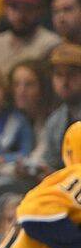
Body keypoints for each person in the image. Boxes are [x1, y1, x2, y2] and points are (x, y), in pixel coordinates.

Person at [0, 0, 62, 75]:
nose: (20, 14)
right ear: (5, 9)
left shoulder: (51, 44)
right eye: (14, 7)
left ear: (39, 10)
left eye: (27, 8)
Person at [32, 42, 81, 174]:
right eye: (59, 75)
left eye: (71, 75)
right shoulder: (55, 120)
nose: (64, 82)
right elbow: (50, 161)